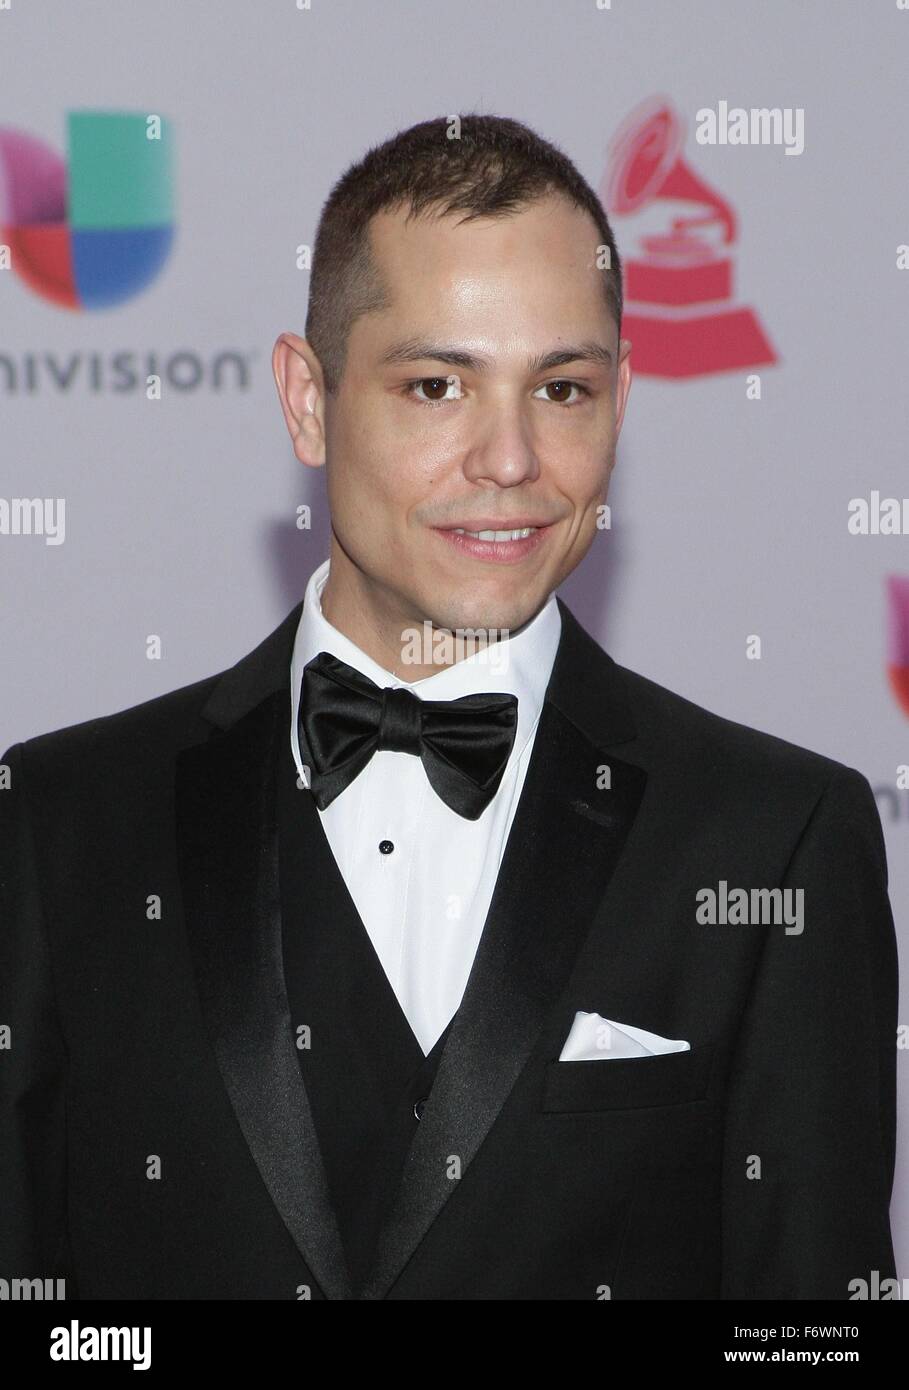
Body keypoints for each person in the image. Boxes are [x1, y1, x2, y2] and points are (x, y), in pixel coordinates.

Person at [0, 114, 898, 1300]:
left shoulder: (778, 832)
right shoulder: (59, 822)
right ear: (308, 401)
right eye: (437, 384)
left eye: (563, 387)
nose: (513, 458)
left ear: (621, 404)